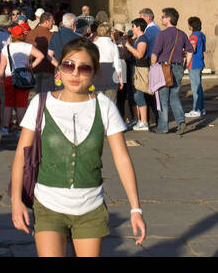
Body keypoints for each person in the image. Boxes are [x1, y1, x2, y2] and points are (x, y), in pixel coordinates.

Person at [10, 37, 145, 257]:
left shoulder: (105, 106)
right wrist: (16, 201)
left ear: (94, 73)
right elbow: (20, 157)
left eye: (84, 68)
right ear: (59, 69)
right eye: (68, 66)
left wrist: (135, 209)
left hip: (90, 208)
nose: (74, 73)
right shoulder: (41, 103)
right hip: (48, 204)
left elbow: (122, 159)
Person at [150, 8, 191, 134]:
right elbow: (190, 51)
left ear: (168, 18)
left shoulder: (162, 34)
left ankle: (163, 127)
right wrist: (185, 66)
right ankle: (181, 121)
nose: (161, 19)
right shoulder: (182, 34)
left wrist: (153, 68)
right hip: (178, 67)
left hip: (164, 67)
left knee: (163, 98)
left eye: (163, 17)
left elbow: (154, 54)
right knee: (174, 96)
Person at [0, 23, 35, 130]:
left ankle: (5, 128)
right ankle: (21, 128)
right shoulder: (27, 46)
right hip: (23, 77)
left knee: (8, 104)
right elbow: (41, 56)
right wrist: (31, 65)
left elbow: (2, 66)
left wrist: (1, 79)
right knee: (21, 104)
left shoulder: (6, 48)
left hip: (9, 77)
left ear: (12, 35)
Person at [124, 18, 153, 130]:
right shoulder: (136, 39)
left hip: (141, 70)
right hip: (134, 68)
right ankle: (137, 119)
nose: (132, 28)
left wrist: (128, 46)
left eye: (133, 26)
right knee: (133, 95)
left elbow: (140, 55)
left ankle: (144, 121)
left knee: (139, 95)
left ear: (138, 27)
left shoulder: (142, 40)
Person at [91, 20, 122, 105]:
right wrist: (120, 79)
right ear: (108, 33)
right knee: (111, 104)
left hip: (97, 74)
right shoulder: (113, 46)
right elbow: (117, 64)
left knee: (98, 104)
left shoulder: (94, 45)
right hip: (111, 75)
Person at [186, 17, 207, 118]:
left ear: (192, 26)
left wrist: (185, 59)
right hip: (200, 62)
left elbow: (191, 50)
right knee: (199, 88)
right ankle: (201, 108)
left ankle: (196, 109)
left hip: (194, 64)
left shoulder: (193, 36)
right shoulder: (202, 35)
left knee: (195, 89)